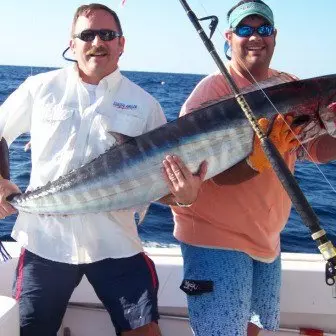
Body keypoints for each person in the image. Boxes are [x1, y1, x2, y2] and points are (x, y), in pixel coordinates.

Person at [0, 4, 196, 336]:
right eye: (87, 35)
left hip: (116, 244)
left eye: (108, 35)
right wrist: (2, 180)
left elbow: (161, 184)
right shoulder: (40, 88)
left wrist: (185, 198)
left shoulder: (145, 105)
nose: (97, 42)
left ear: (122, 44)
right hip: (45, 242)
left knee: (145, 333)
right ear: (72, 43)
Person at [170, 0, 336, 335]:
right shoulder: (211, 92)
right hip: (214, 238)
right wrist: (257, 159)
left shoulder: (290, 84)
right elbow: (200, 178)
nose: (255, 36)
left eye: (263, 29)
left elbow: (316, 151)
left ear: (275, 37)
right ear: (229, 37)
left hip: (267, 239)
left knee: (253, 327)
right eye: (245, 29)